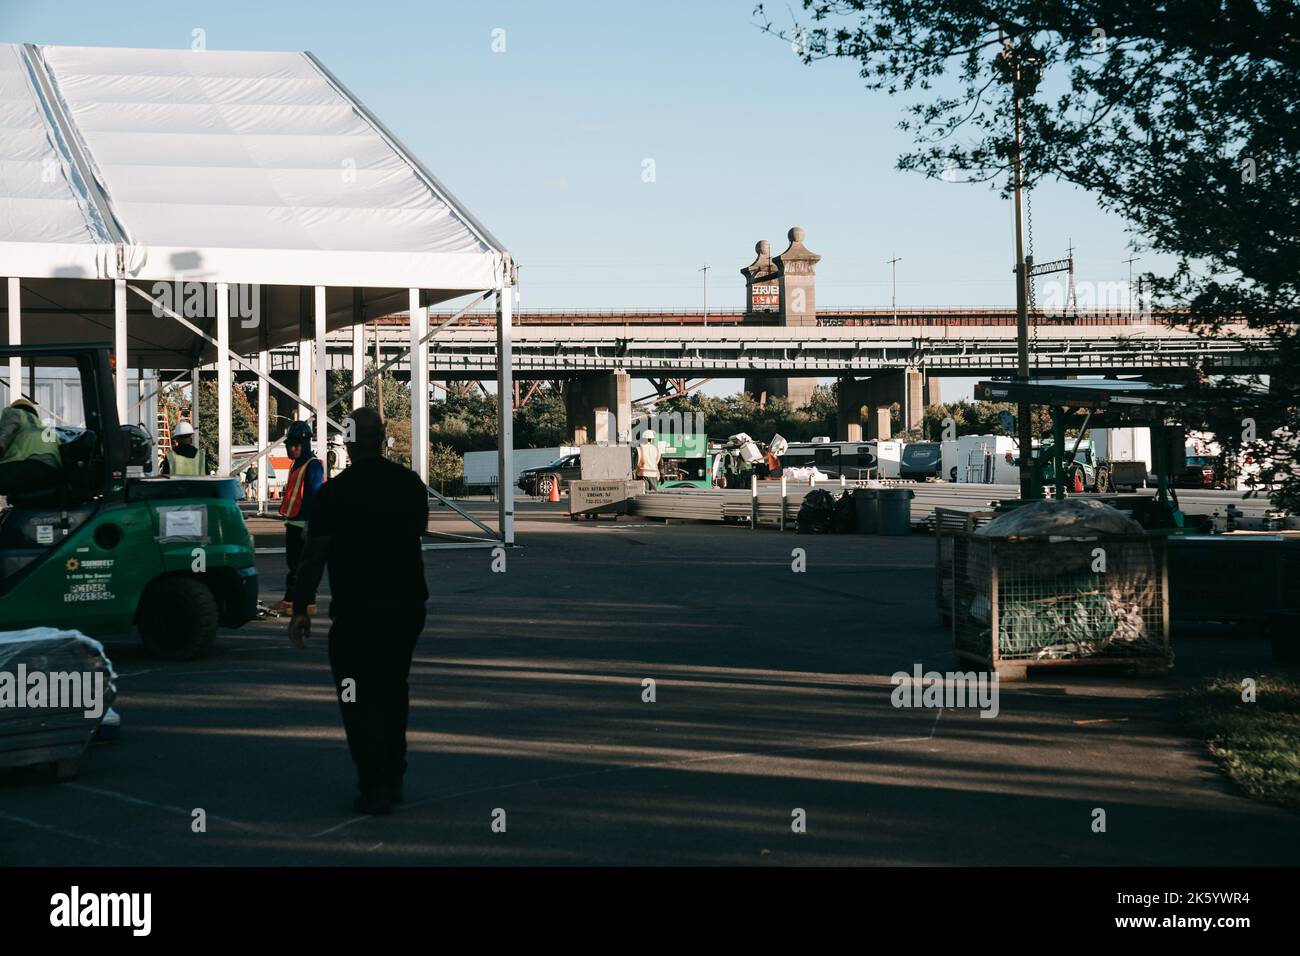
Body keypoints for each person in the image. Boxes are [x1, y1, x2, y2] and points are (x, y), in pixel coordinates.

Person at [287, 407, 429, 815]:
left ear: (347, 445)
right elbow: (416, 530)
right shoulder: (410, 485)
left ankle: (373, 785)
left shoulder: (334, 493)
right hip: (405, 608)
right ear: (383, 440)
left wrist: (301, 607)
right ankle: (394, 777)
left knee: (357, 697)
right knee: (393, 688)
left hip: (356, 613)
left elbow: (313, 556)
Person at [275, 420, 324, 614]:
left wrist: (309, 524)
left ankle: (295, 603)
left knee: (299, 566)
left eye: (294, 445)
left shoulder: (312, 466)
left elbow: (315, 496)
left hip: (302, 524)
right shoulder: (297, 464)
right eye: (289, 445)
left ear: (303, 445)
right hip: (294, 522)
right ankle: (297, 602)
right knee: (296, 565)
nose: (291, 449)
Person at [0, 398, 62, 497]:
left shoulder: (14, 413)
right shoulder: (47, 429)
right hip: (52, 473)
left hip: (29, 466)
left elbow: (3, 437)